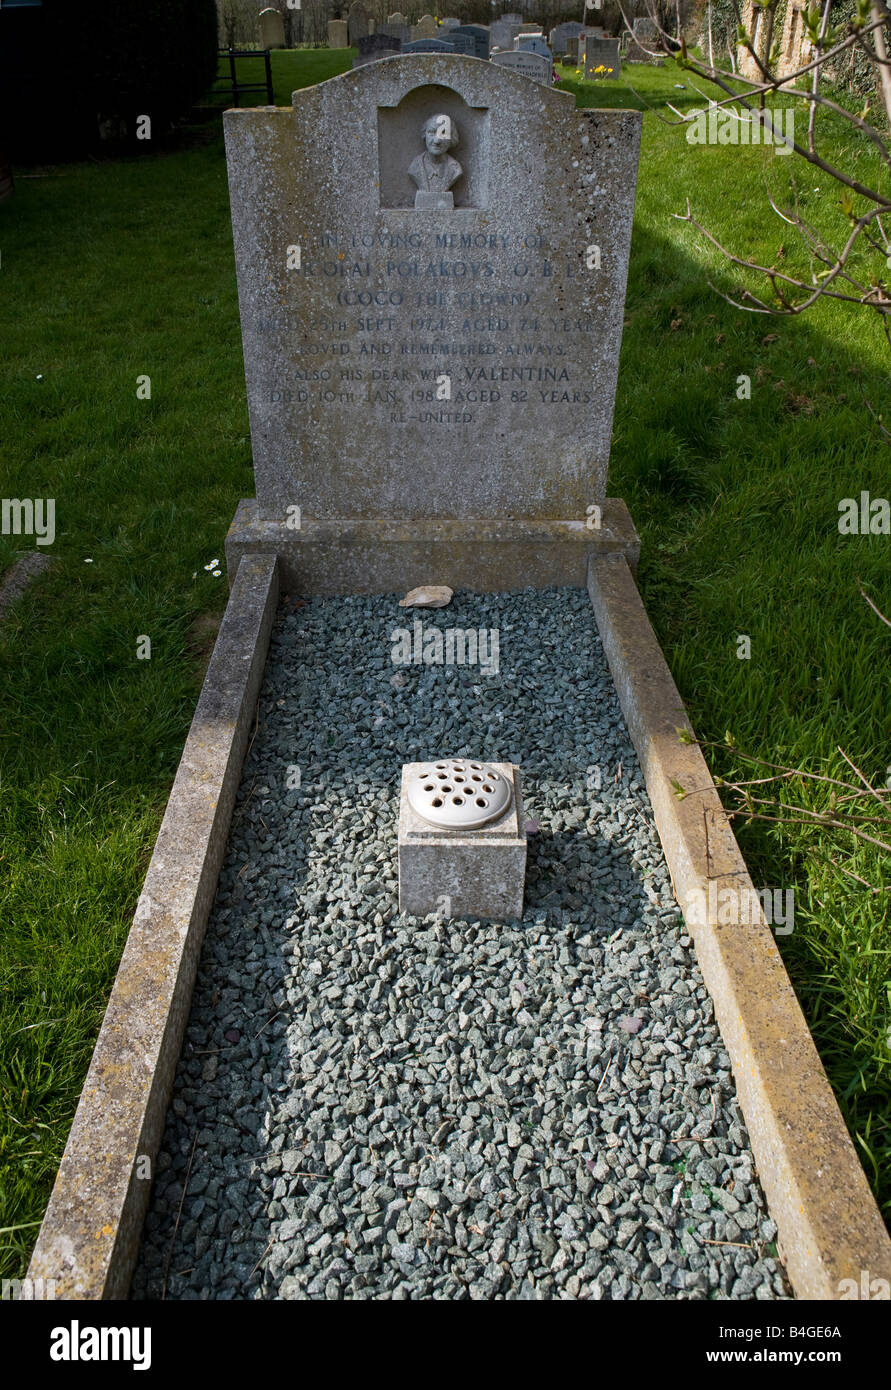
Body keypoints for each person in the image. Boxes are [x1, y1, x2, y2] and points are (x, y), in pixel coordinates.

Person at [408, 113, 462, 207]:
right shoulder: (415, 167)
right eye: (432, 132)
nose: (437, 141)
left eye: (443, 133)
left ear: (452, 138)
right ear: (425, 135)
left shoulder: (455, 170)